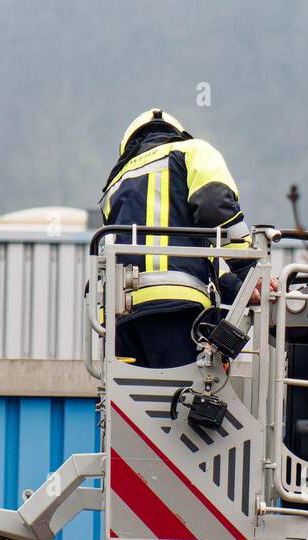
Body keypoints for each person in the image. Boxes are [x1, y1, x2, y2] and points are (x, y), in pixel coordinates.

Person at [99, 109, 268, 368]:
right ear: (175, 133)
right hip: (178, 311)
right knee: (184, 402)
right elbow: (215, 206)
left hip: (123, 320)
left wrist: (236, 288)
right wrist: (249, 273)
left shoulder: (114, 185)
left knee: (139, 405)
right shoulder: (190, 151)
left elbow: (192, 256)